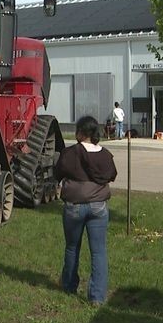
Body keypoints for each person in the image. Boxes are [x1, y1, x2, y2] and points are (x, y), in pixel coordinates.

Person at [54, 115, 117, 306]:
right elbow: (112, 175)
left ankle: (69, 286)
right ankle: (97, 296)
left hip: (74, 205)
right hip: (99, 206)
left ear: (80, 132)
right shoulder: (105, 155)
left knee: (72, 247)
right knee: (99, 251)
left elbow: (58, 173)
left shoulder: (70, 153)